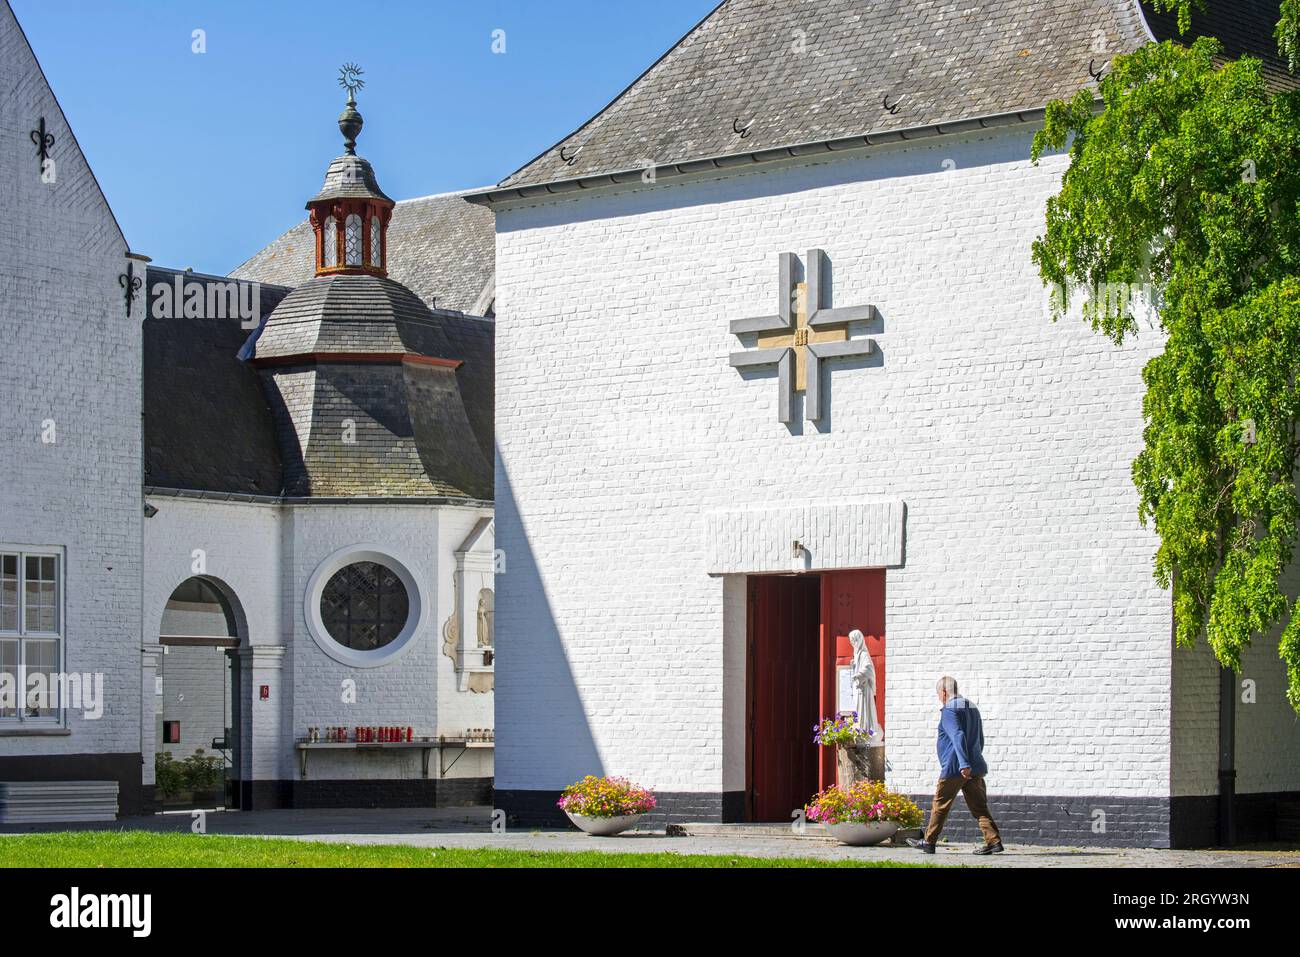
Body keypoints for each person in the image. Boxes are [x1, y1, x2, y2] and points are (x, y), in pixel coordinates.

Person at [907, 676, 1004, 855]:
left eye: (938, 694)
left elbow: (958, 735)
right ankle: (994, 841)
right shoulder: (971, 706)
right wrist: (973, 759)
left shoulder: (949, 710)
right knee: (979, 807)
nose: (938, 698)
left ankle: (928, 842)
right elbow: (979, 738)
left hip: (956, 767)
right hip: (974, 766)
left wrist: (964, 763)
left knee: (940, 805)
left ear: (944, 692)